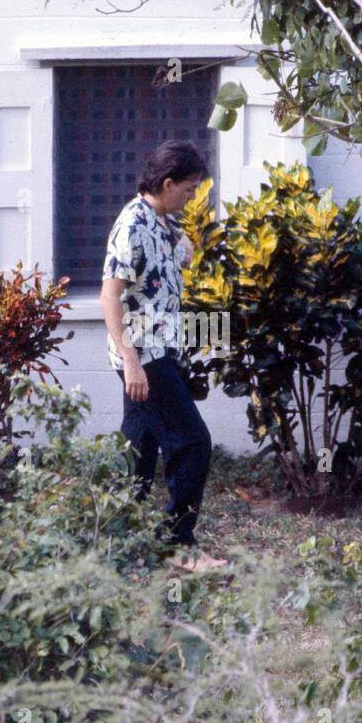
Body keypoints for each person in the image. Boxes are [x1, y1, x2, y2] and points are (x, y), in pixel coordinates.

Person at [99, 140, 227, 573]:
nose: (192, 197)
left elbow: (162, 267)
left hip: (160, 349)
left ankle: (117, 538)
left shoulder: (161, 220)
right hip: (145, 357)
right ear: (167, 183)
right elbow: (109, 297)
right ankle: (179, 544)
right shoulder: (132, 225)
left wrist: (182, 246)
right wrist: (132, 361)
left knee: (139, 448)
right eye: (189, 189)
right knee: (193, 444)